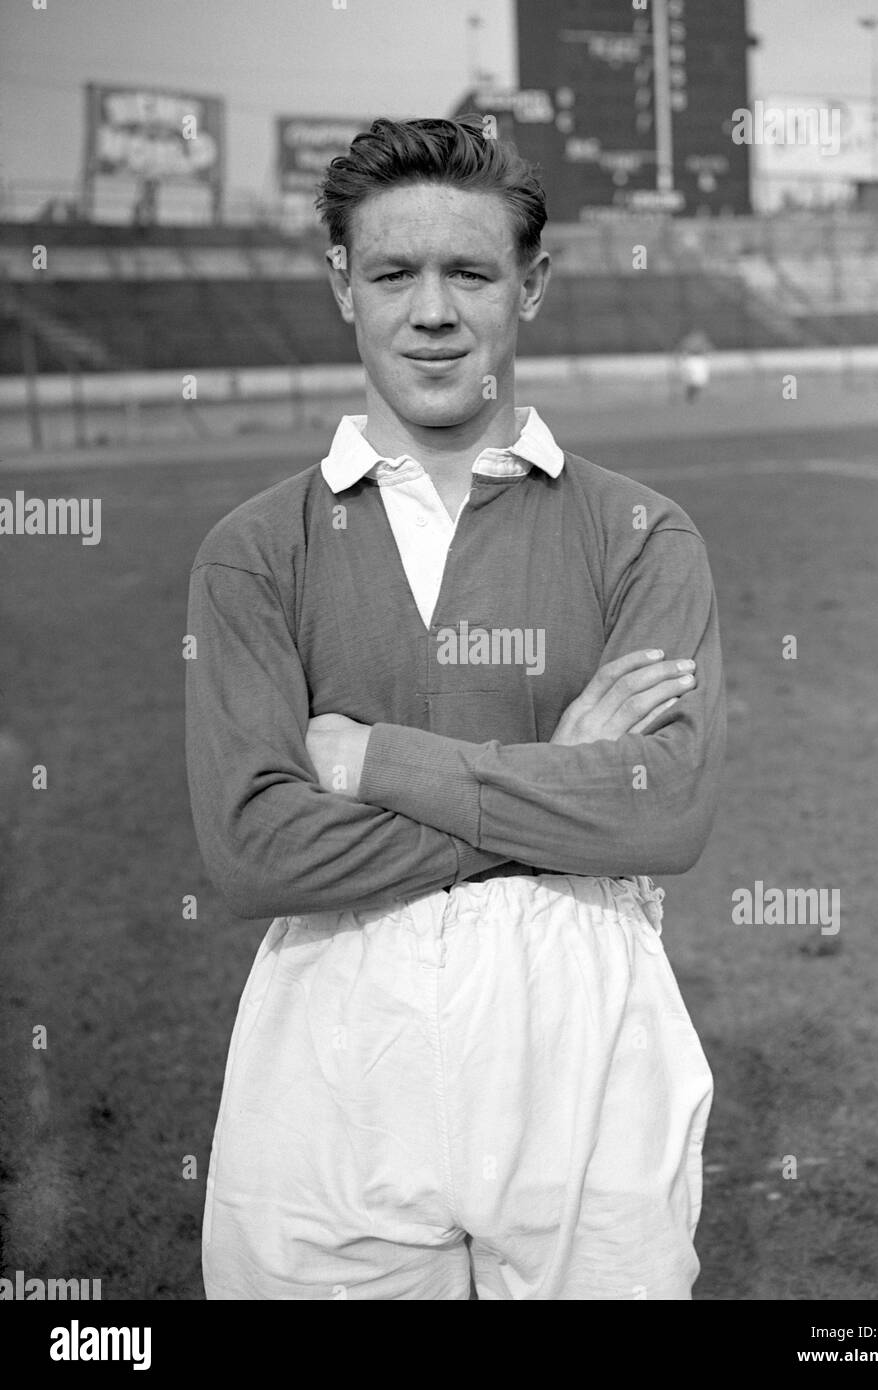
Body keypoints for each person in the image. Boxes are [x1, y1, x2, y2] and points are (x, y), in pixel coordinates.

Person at [185, 116, 726, 1300]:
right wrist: (559, 773)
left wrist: (375, 758)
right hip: (333, 1053)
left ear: (531, 284)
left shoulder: (640, 533)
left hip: (587, 1040)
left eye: (470, 272)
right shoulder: (254, 553)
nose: (432, 312)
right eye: (392, 272)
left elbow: (664, 814)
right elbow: (254, 847)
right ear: (343, 284)